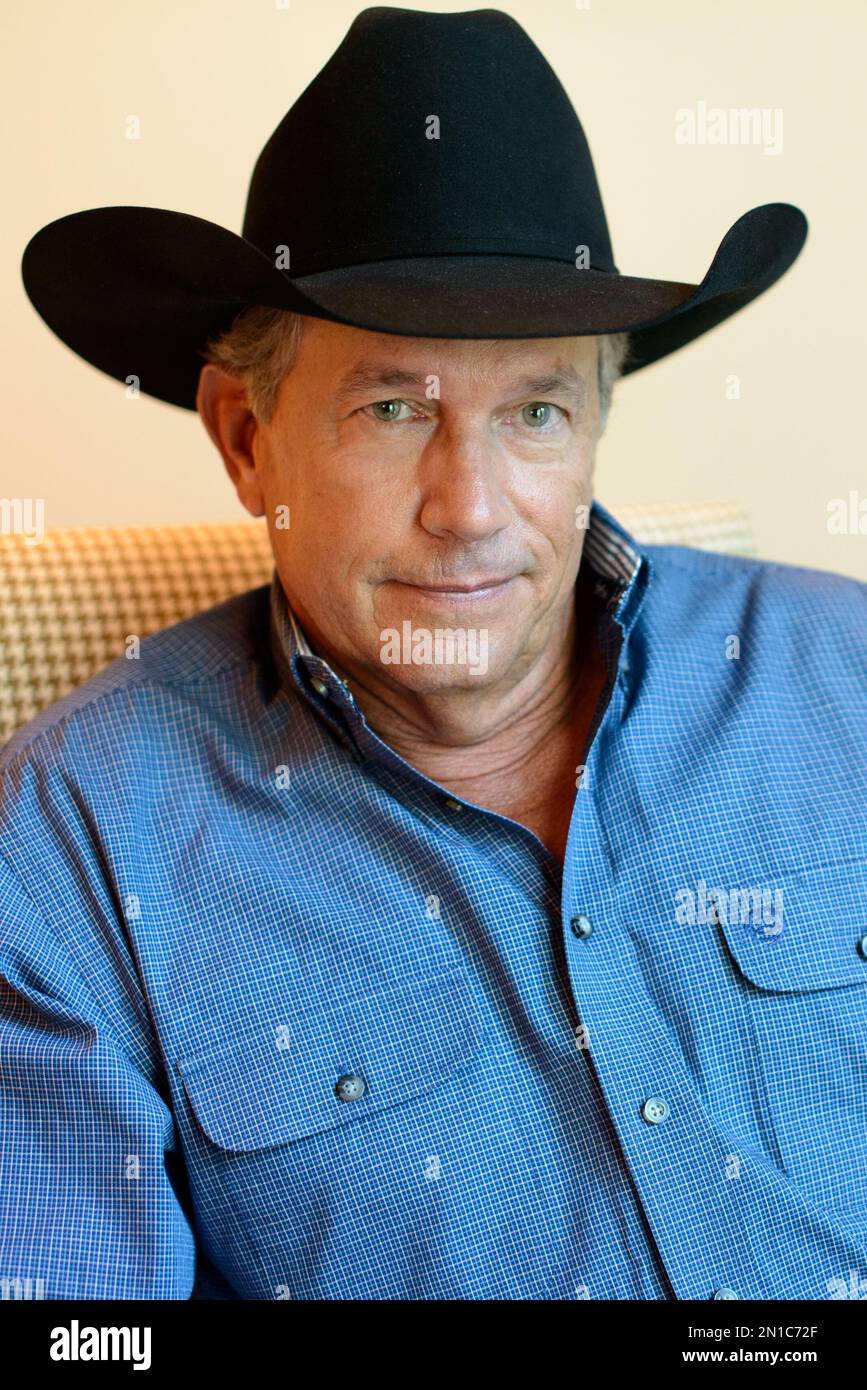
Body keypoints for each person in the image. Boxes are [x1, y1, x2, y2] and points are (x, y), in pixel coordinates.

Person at [4, 6, 866, 1301]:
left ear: (591, 430)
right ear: (246, 437)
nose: (470, 505)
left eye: (535, 408)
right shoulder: (72, 841)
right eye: (394, 406)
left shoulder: (842, 671)